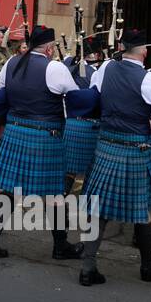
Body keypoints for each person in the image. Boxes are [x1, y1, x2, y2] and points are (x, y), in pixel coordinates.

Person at [78, 29, 151, 287]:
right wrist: (147, 125)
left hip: (106, 147)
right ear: (144, 52)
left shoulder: (106, 68)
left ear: (122, 48)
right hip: (135, 150)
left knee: (98, 210)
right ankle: (147, 265)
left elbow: (94, 96)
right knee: (142, 210)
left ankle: (88, 267)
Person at [0, 25, 83, 260]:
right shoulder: (55, 68)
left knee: (7, 189)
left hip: (15, 132)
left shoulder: (11, 63)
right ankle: (61, 245)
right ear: (49, 49)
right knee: (54, 193)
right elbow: (74, 98)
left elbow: (2, 93)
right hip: (43, 136)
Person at [61, 35, 106, 194]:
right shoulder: (96, 74)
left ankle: (62, 199)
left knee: (69, 170)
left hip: (69, 123)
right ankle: (87, 208)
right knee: (92, 170)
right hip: (89, 126)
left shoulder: (66, 64)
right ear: (97, 55)